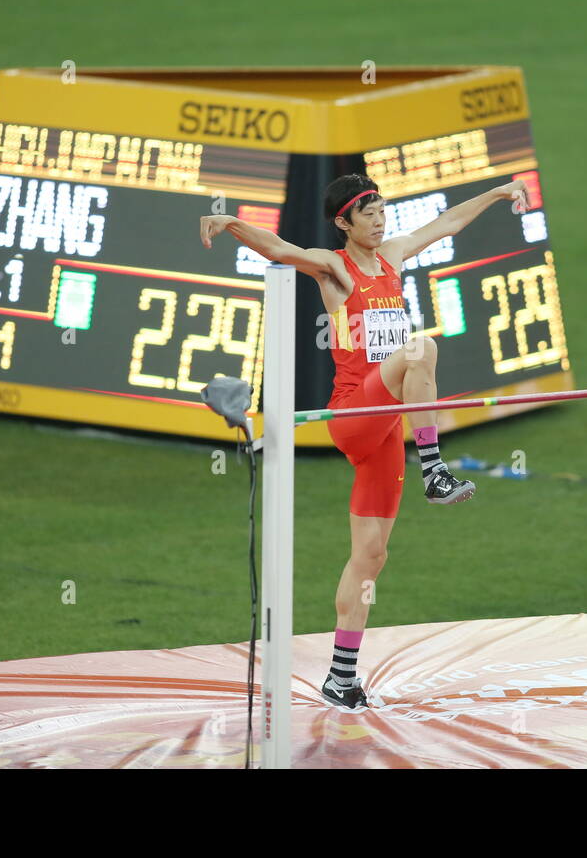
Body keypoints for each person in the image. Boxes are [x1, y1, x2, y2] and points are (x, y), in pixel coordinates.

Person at [199, 173, 529, 708]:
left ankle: (341, 678)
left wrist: (496, 194)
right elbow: (280, 248)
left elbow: (446, 223)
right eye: (367, 214)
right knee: (421, 348)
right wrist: (233, 223)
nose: (380, 221)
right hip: (353, 413)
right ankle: (435, 468)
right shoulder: (335, 269)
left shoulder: (395, 257)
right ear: (343, 223)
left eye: (382, 211)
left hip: (385, 429)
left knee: (370, 556)